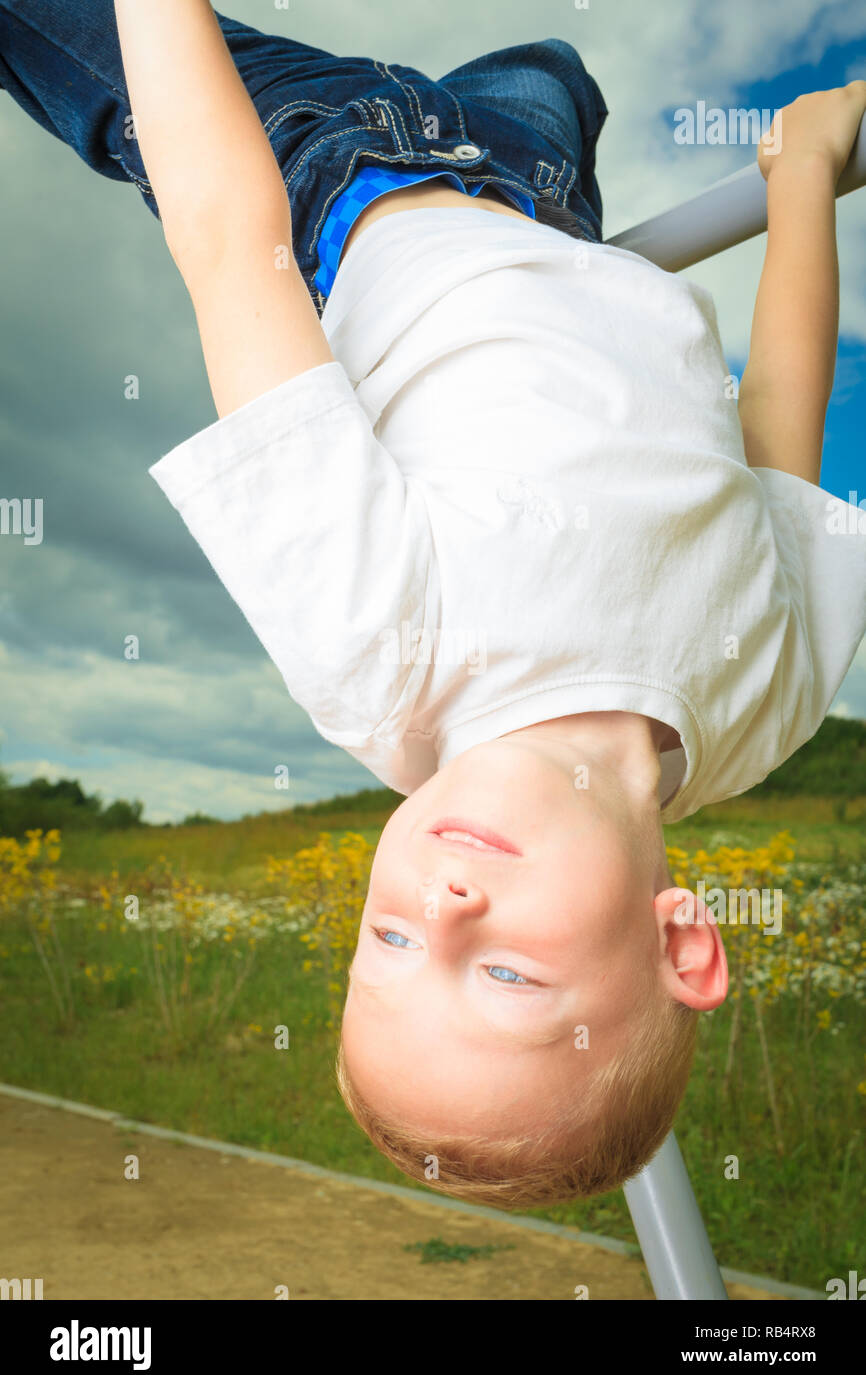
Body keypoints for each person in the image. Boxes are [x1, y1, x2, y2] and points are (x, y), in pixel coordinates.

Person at [3, 1, 865, 1207]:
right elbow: (779, 414)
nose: (440, 911)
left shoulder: (376, 657)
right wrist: (804, 179)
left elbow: (226, 235)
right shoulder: (768, 704)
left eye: (388, 945)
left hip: (325, 162)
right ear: (682, 941)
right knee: (557, 61)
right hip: (540, 171)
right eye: (507, 976)